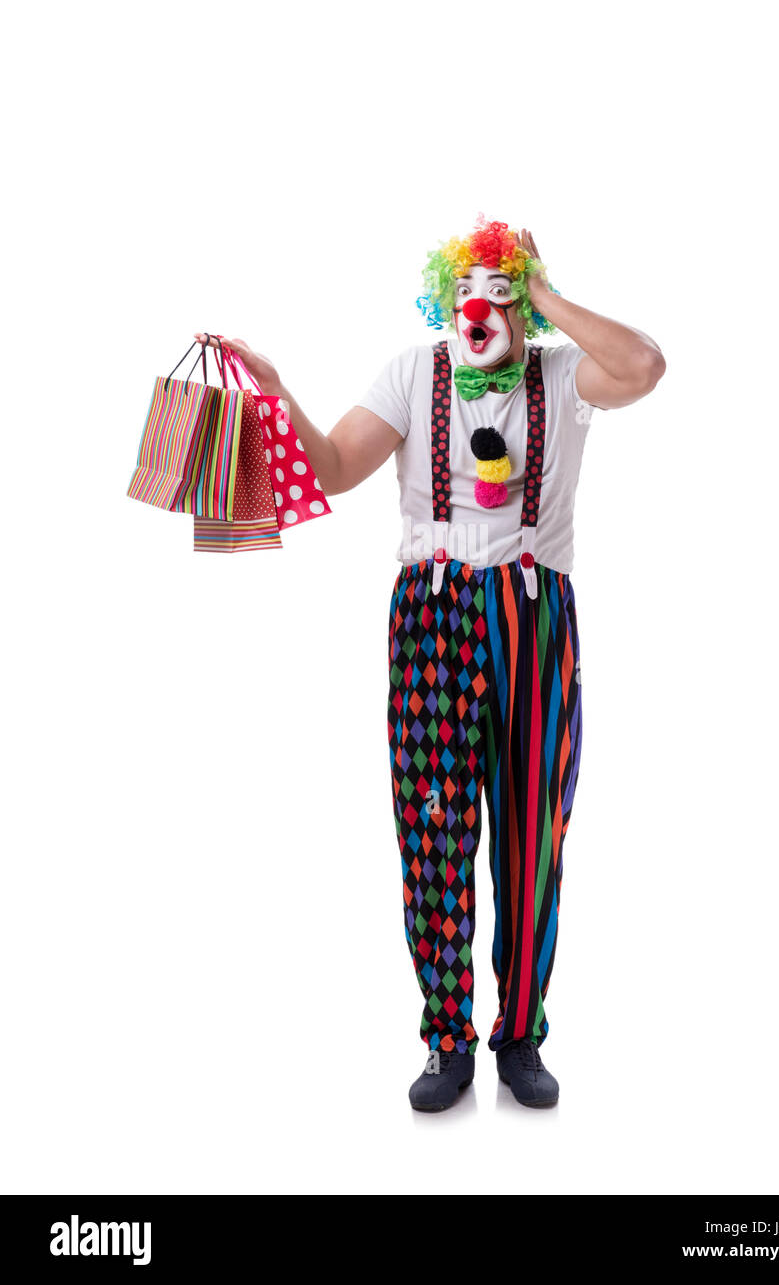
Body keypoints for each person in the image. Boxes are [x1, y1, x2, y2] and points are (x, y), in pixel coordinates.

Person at [194, 214, 665, 1112]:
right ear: (441, 297)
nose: (479, 308)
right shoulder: (413, 373)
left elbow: (645, 366)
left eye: (500, 292)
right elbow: (332, 469)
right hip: (431, 617)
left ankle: (519, 1036)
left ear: (524, 302)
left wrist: (543, 295)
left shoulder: (566, 375)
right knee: (434, 833)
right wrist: (277, 388)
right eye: (467, 291)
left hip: (534, 614)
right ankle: (446, 1038)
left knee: (533, 834)